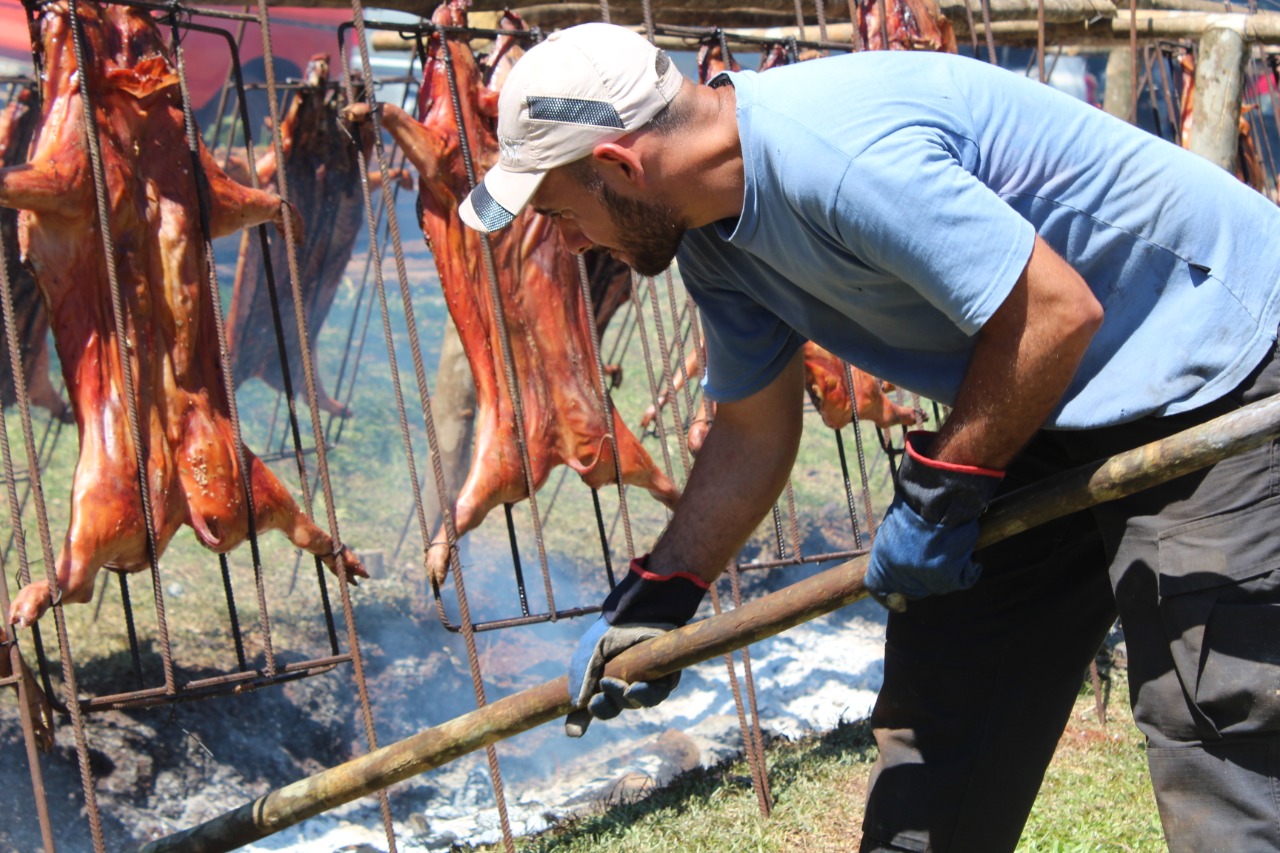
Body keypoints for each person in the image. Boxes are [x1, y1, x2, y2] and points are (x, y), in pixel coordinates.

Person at [458, 22, 1280, 853]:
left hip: (1209, 351)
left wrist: (940, 495)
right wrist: (663, 588)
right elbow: (753, 424)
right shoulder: (711, 236)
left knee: (1214, 714)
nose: (565, 241)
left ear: (618, 167)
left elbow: (1055, 313)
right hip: (1041, 384)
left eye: (560, 212)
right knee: (949, 700)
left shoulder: (838, 157)